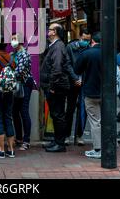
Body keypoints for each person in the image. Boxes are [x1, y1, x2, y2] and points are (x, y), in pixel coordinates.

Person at [40, 23, 70, 153]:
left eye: (50, 29)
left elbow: (57, 68)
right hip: (54, 86)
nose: (48, 31)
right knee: (55, 114)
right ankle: (57, 141)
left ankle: (60, 143)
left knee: (58, 114)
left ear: (55, 32)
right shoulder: (55, 46)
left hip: (56, 87)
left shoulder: (58, 47)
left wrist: (52, 86)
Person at [74, 32, 102, 159]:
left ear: (92, 41)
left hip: (91, 91)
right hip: (107, 93)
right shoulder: (110, 53)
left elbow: (77, 69)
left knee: (95, 121)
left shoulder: (87, 53)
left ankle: (98, 149)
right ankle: (109, 145)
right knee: (106, 119)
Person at [65, 28, 91, 146]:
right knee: (70, 109)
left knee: (83, 109)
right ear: (80, 36)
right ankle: (67, 135)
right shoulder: (70, 47)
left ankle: (79, 135)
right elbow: (67, 64)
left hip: (84, 82)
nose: (86, 41)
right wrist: (75, 78)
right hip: (72, 81)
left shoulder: (88, 49)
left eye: (88, 40)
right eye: (84, 39)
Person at [11, 33, 34, 151]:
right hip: (16, 85)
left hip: (24, 84)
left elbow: (18, 71)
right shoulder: (13, 54)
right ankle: (19, 137)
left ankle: (26, 140)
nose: (12, 41)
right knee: (15, 111)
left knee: (24, 111)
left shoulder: (24, 54)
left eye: (14, 39)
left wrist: (7, 76)